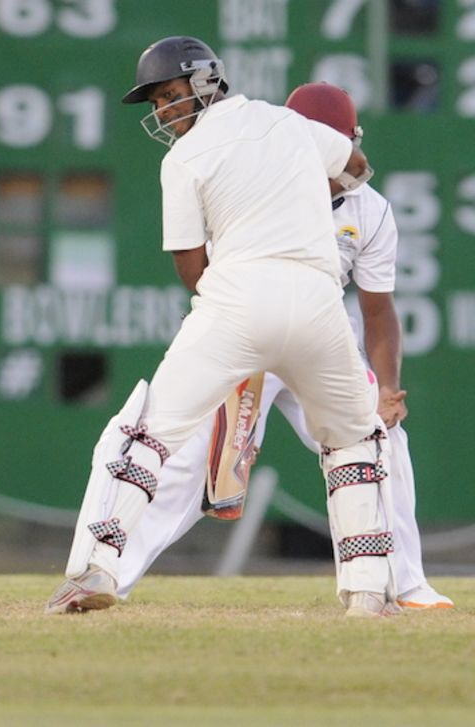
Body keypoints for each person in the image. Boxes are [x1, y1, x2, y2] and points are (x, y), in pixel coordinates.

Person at [45, 36, 399, 619]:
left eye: (168, 95)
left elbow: (191, 269)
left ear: (207, 82)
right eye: (156, 102)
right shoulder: (290, 125)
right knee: (355, 441)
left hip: (235, 299)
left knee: (143, 435)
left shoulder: (182, 159)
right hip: (318, 300)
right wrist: (308, 191)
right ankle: (368, 593)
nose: (162, 111)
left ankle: (94, 569)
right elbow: (357, 167)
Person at [114, 83, 451, 609]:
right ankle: (110, 575)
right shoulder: (252, 181)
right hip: (244, 331)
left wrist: (388, 388)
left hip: (319, 337)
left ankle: (405, 583)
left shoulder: (369, 209)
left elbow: (378, 310)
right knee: (191, 459)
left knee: (384, 437)